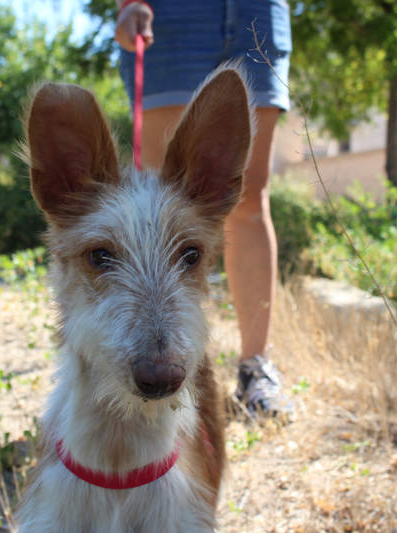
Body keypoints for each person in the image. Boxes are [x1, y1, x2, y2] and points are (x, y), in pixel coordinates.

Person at [114, 0, 292, 416]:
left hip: (258, 11)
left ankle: (255, 370)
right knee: (161, 210)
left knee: (248, 196)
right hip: (172, 13)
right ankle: (163, 365)